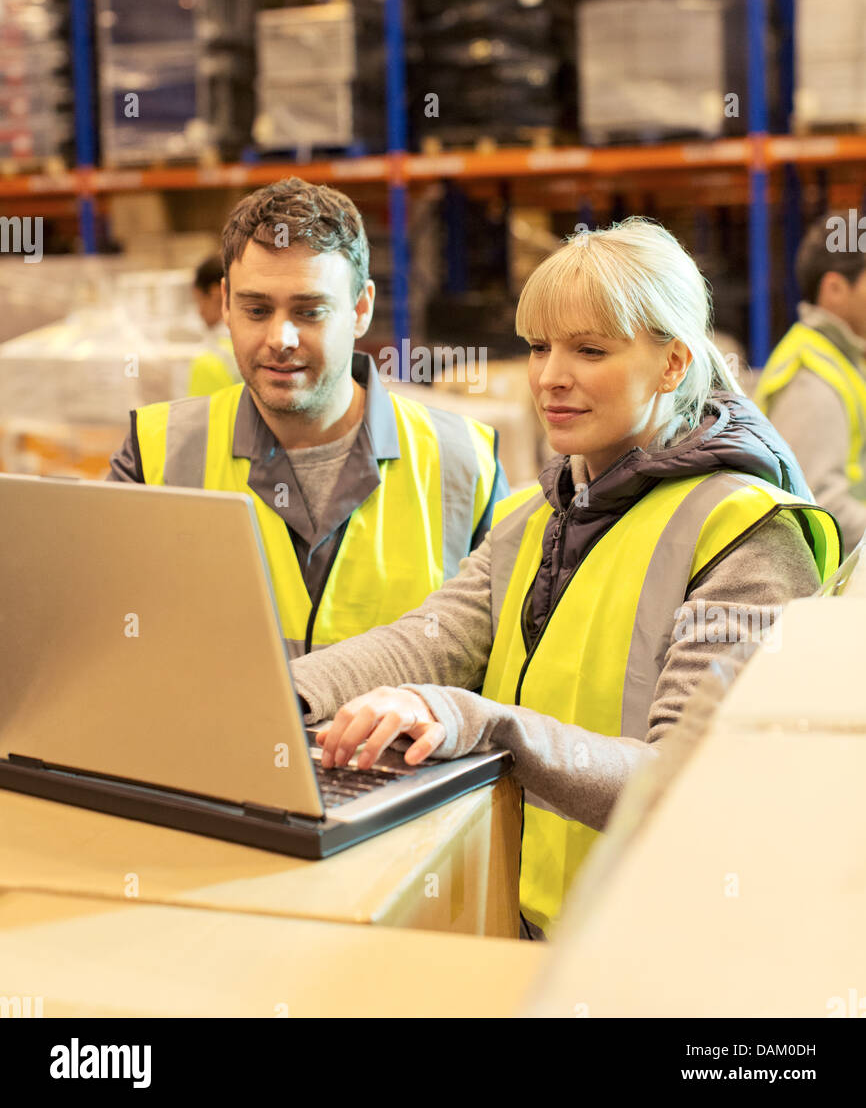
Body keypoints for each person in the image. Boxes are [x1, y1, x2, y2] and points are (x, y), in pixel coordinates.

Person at [289, 217, 841, 939]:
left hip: (657, 955)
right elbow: (421, 644)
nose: (551, 376)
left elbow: (680, 780)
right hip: (528, 931)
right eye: (540, 347)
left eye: (589, 350)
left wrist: (489, 726)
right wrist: (277, 699)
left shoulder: (748, 534)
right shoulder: (535, 517)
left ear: (673, 364)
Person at [108, 179, 508, 655]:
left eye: (310, 311)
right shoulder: (154, 456)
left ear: (361, 309)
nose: (281, 338)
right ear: (225, 306)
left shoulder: (463, 463)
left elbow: (498, 665)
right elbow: (108, 642)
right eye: (256, 309)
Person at [754, 213, 866, 555]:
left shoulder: (840, 358)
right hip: (828, 587)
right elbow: (818, 507)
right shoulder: (811, 376)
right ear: (834, 288)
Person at [188, 254, 241, 396]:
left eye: (199, 300)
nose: (200, 312)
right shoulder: (259, 344)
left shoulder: (209, 361)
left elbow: (202, 416)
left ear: (216, 292)